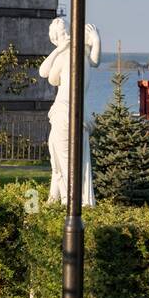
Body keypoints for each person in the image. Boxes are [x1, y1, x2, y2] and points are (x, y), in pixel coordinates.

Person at [40, 17, 100, 206]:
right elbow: (47, 74)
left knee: (66, 161)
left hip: (68, 112)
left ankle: (70, 203)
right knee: (57, 158)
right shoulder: (66, 54)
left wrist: (96, 40)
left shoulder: (75, 53)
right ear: (56, 39)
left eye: (68, 31)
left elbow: (95, 61)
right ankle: (54, 199)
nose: (67, 36)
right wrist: (59, 49)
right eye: (63, 34)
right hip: (64, 112)